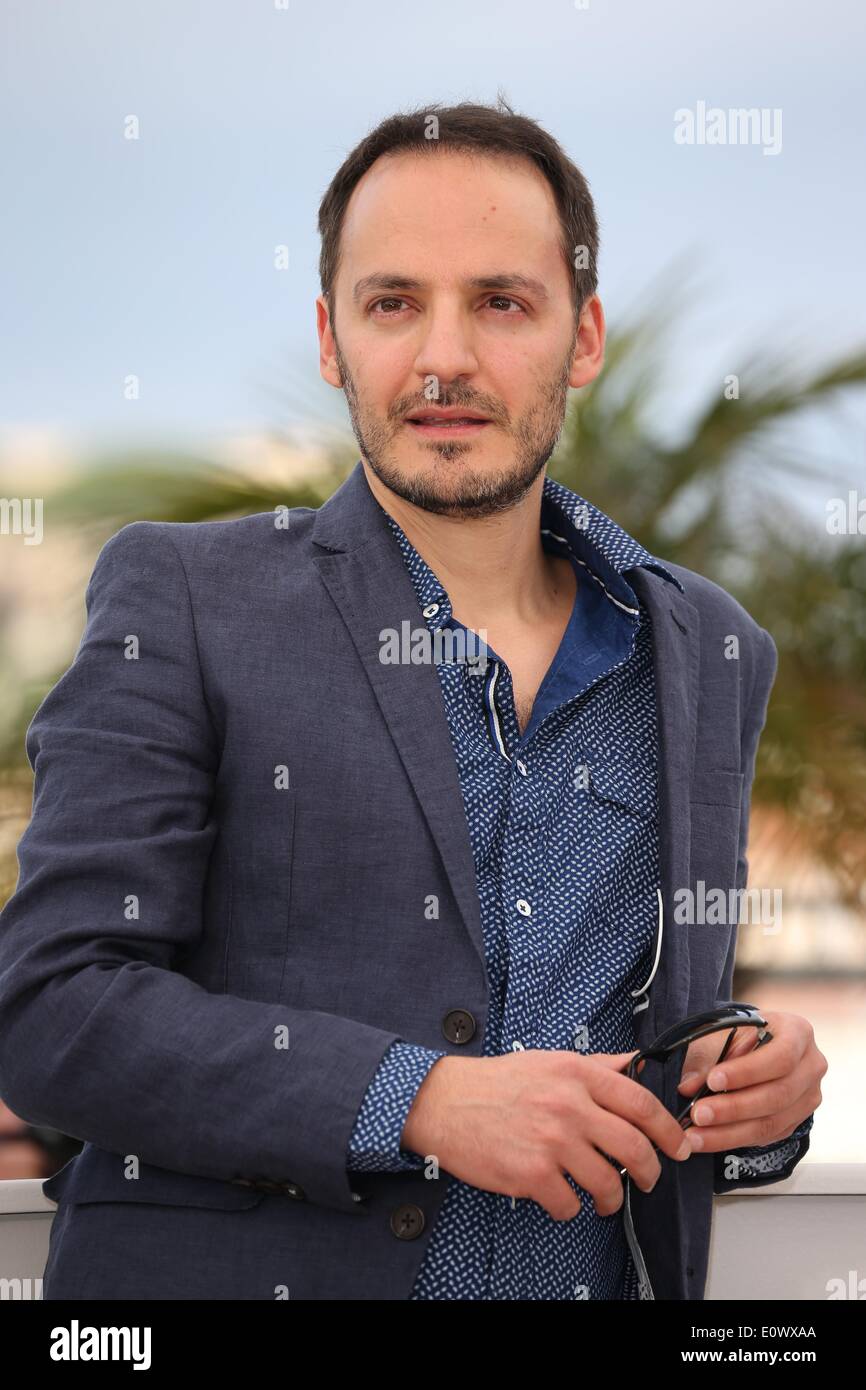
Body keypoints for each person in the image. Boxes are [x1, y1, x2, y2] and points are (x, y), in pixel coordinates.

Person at [0, 99, 825, 1301]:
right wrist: (422, 1101)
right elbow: (53, 1003)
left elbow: (655, 1027)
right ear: (331, 340)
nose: (444, 357)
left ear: (580, 337)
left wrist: (750, 1089)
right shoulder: (184, 596)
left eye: (501, 302)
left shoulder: (706, 646)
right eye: (393, 304)